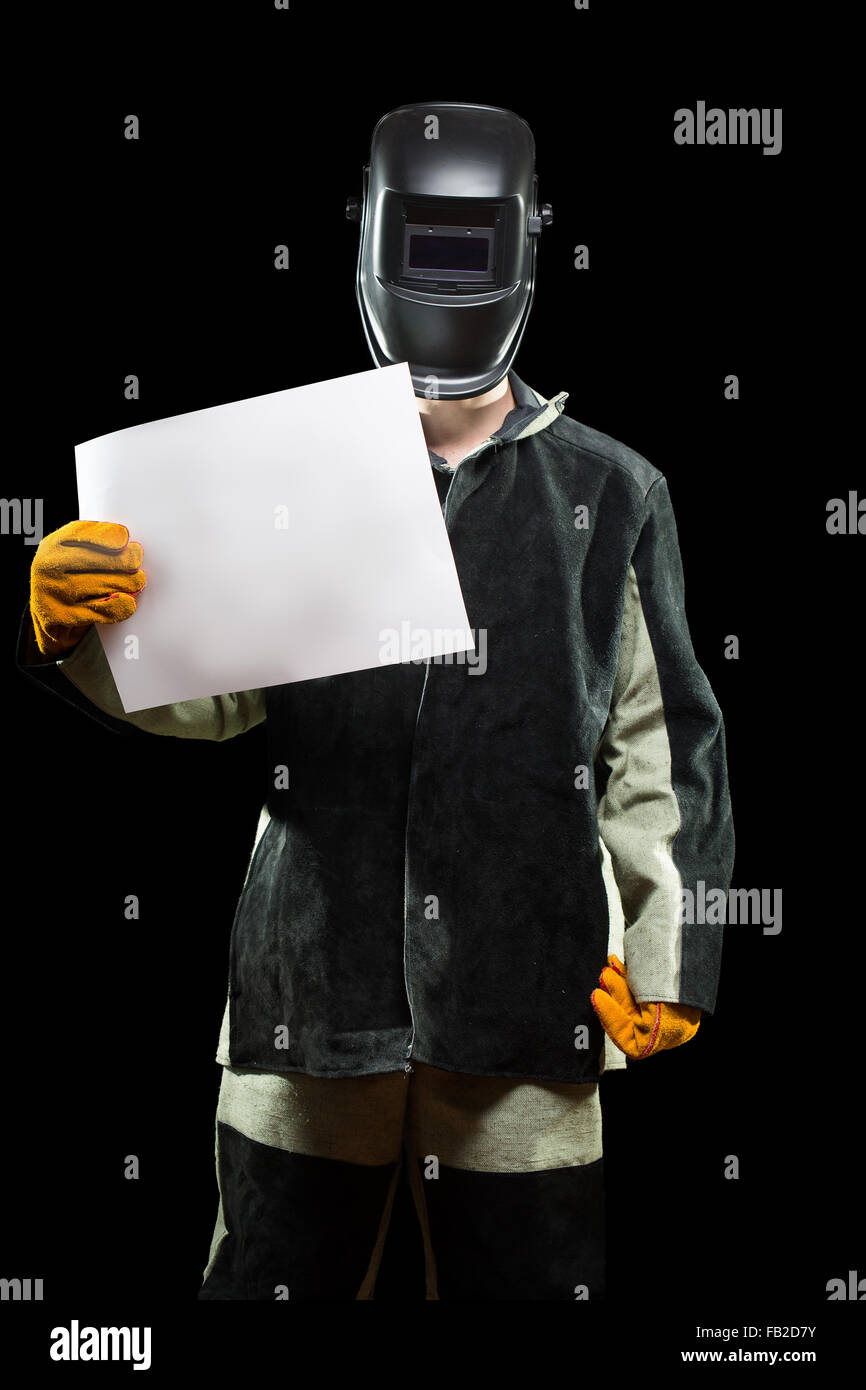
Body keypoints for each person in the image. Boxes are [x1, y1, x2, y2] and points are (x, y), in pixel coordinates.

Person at [18, 102, 734, 1300]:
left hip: (529, 1002)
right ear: (370, 238)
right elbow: (213, 692)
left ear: (523, 244)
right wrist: (81, 637)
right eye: (425, 240)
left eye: (471, 242)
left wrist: (670, 958)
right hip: (308, 998)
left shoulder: (611, 493)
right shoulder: (293, 474)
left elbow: (657, 745)